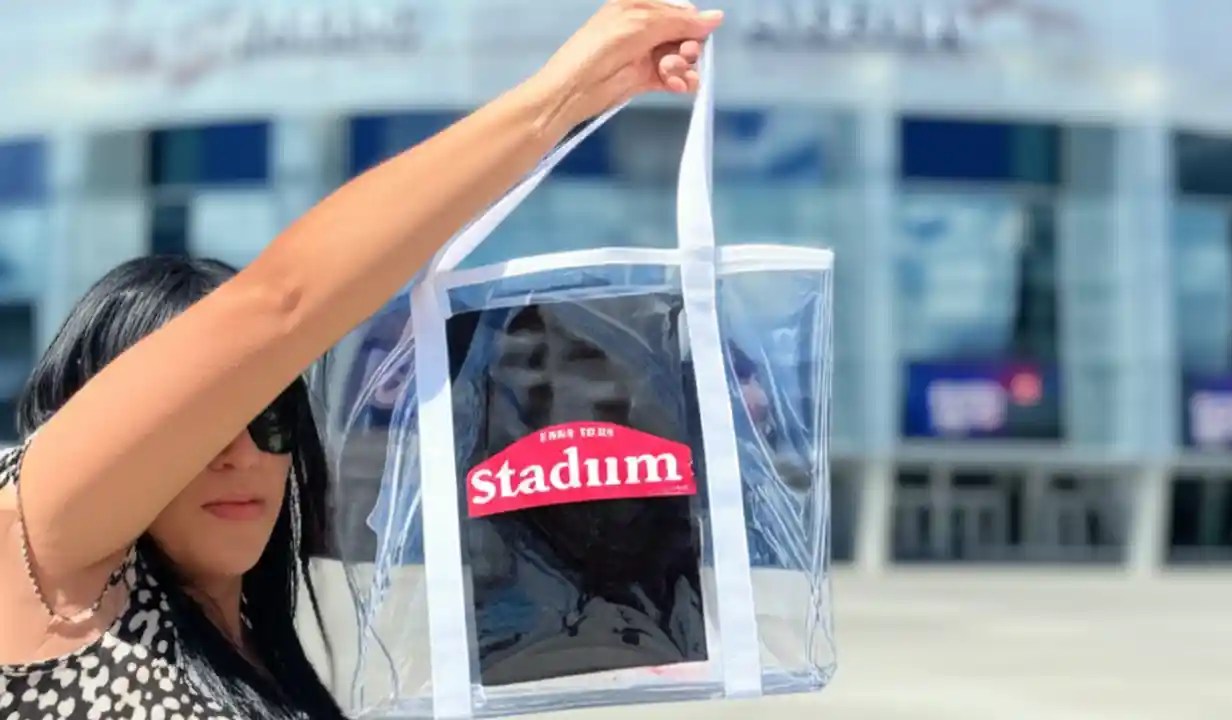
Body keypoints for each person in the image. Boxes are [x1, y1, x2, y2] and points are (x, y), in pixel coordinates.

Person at [0, 2, 725, 717]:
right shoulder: (47, 550)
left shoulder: (260, 650)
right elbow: (284, 305)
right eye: (200, 425)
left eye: (272, 420)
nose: (241, 454)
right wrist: (562, 95)